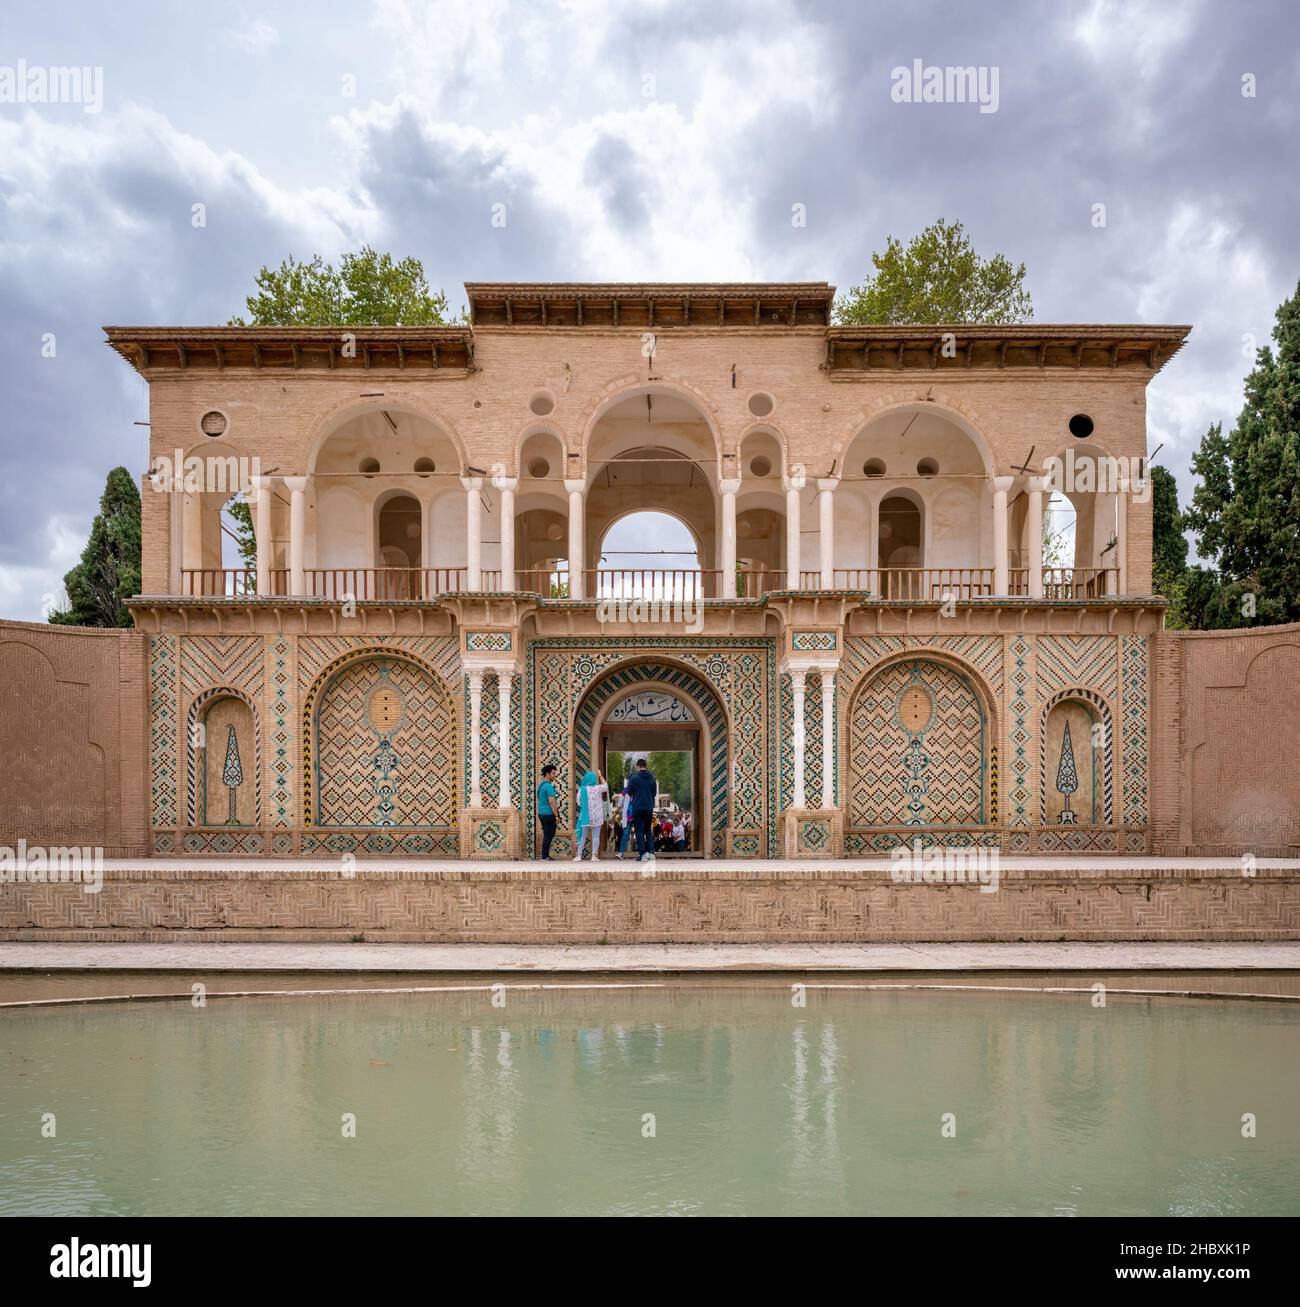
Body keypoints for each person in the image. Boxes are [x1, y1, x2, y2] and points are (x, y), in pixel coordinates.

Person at [624, 757, 658, 860]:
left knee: (639, 831)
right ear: (645, 766)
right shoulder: (652, 778)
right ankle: (651, 852)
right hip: (648, 807)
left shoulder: (634, 778)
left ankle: (642, 854)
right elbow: (654, 793)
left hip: (637, 807)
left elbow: (629, 792)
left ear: (638, 766)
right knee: (648, 829)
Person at [573, 769, 606, 861]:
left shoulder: (582, 789)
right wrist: (600, 775)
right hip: (597, 816)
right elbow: (606, 786)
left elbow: (578, 802)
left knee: (583, 836)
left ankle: (579, 855)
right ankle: (594, 856)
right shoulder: (598, 788)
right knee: (596, 836)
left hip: (585, 817)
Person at [536, 764, 559, 860]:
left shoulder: (540, 785)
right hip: (548, 814)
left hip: (541, 813)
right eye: (553, 773)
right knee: (549, 835)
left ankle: (545, 855)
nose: (555, 775)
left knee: (547, 834)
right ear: (547, 774)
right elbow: (552, 802)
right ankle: (544, 856)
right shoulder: (548, 786)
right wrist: (557, 816)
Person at [614, 784, 633, 860]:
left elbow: (619, 804)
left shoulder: (625, 791)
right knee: (640, 833)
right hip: (636, 815)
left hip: (629, 816)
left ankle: (621, 853)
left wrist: (616, 811)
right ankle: (645, 853)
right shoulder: (638, 789)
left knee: (625, 834)